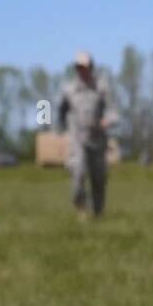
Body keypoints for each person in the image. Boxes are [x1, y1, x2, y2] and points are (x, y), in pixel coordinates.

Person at [57, 52, 117, 219]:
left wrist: (107, 121)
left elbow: (113, 111)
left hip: (97, 139)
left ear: (91, 67)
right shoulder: (69, 89)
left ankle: (98, 212)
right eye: (78, 68)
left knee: (98, 178)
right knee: (78, 173)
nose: (81, 71)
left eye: (84, 67)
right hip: (77, 139)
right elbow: (61, 111)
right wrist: (60, 130)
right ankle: (81, 209)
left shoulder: (101, 87)